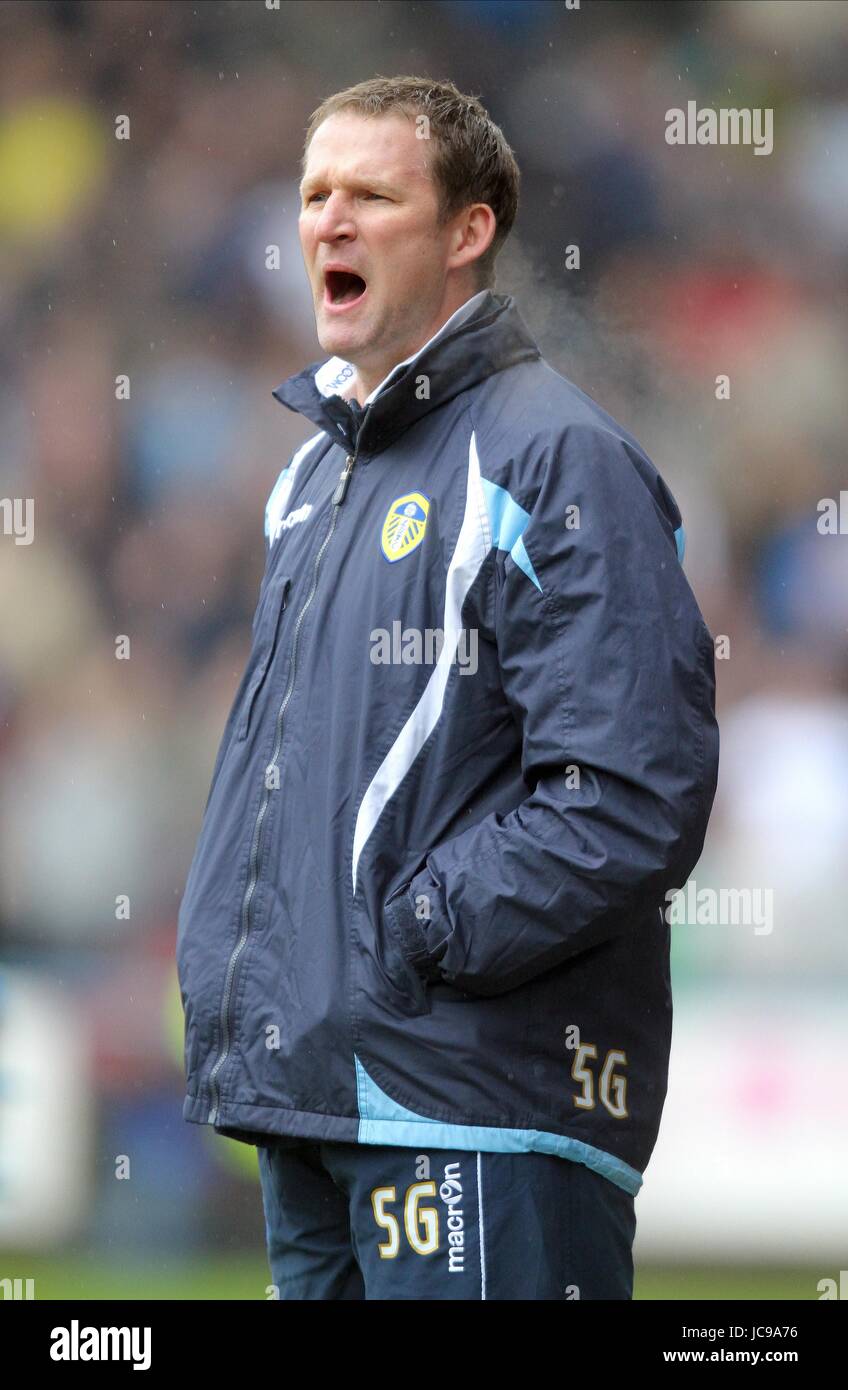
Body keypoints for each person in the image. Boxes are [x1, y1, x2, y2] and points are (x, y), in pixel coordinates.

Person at [175, 75, 719, 1300]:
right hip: (318, 1098)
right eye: (314, 195)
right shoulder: (307, 484)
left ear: (468, 231)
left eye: (372, 194)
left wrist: (413, 934)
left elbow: (627, 793)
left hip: (475, 1106)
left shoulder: (555, 454)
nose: (329, 221)